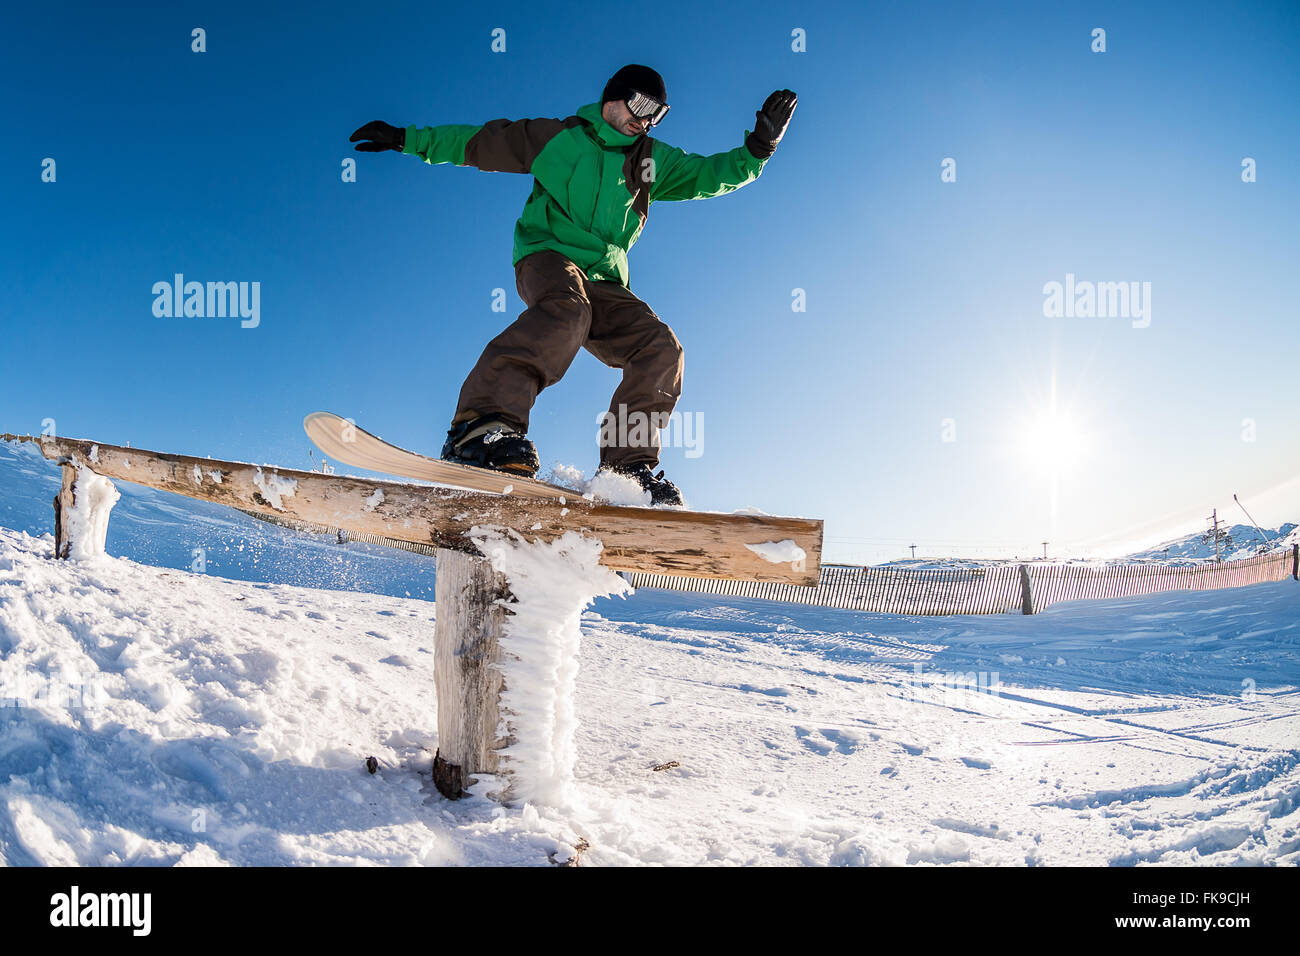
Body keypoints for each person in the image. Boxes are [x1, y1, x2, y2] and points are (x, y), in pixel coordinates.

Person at [351, 65, 796, 505]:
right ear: (613, 99)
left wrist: (759, 147)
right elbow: (478, 142)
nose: (647, 120)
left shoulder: (649, 162)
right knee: (567, 310)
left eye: (658, 114)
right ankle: (481, 426)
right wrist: (406, 139)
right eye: (641, 106)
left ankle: (626, 467)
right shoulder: (556, 138)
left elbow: (709, 174)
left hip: (604, 279)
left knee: (660, 348)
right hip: (547, 256)